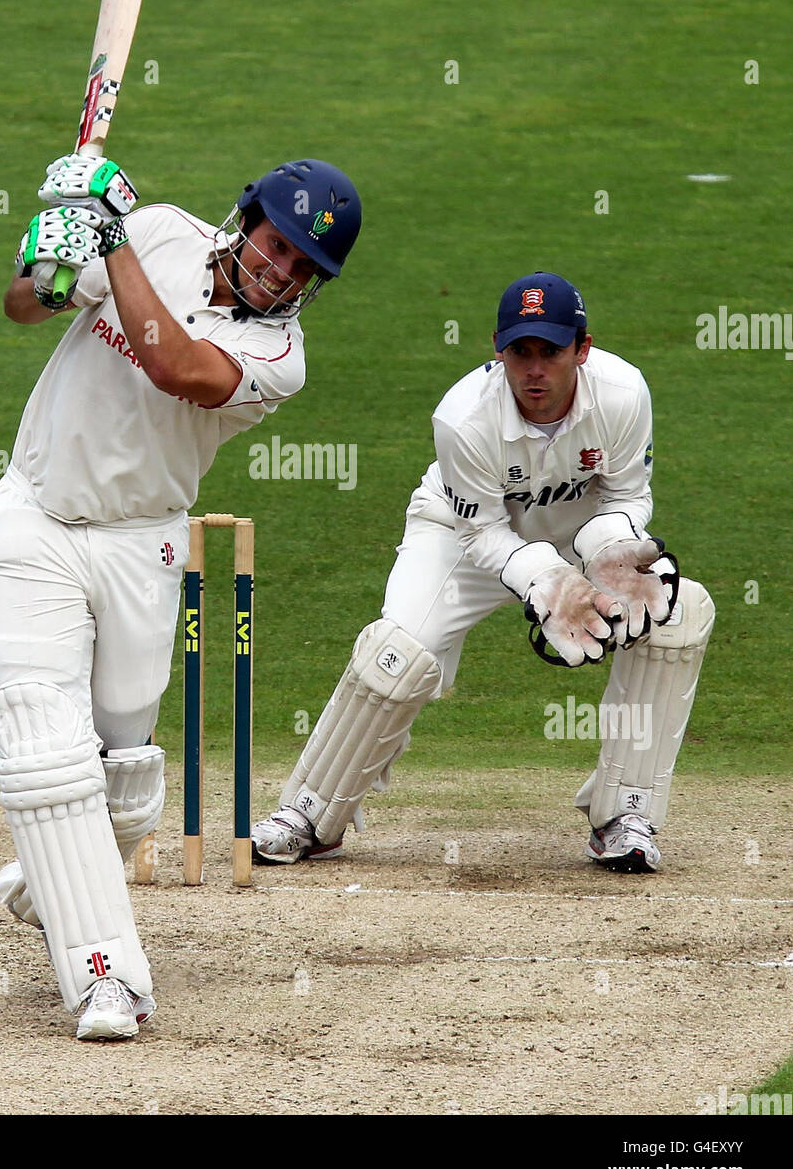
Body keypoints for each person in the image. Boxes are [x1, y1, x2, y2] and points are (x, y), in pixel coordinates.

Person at [0, 156, 361, 1039]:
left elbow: (177, 369)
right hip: (33, 517)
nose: (283, 272)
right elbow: (18, 310)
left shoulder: (279, 356)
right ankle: (107, 977)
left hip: (142, 543)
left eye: (306, 267)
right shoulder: (157, 233)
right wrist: (50, 266)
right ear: (245, 220)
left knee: (123, 776)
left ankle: (53, 881)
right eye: (277, 245)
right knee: (41, 742)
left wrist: (107, 243)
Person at [252, 273, 714, 874]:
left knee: (678, 616)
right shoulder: (464, 418)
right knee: (397, 651)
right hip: (464, 535)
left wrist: (607, 548)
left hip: (579, 538)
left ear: (583, 348)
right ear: (498, 350)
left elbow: (627, 494)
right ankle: (310, 814)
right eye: (520, 352)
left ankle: (627, 814)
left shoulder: (624, 394)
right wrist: (548, 583)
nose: (535, 370)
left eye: (551, 351)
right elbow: (483, 533)